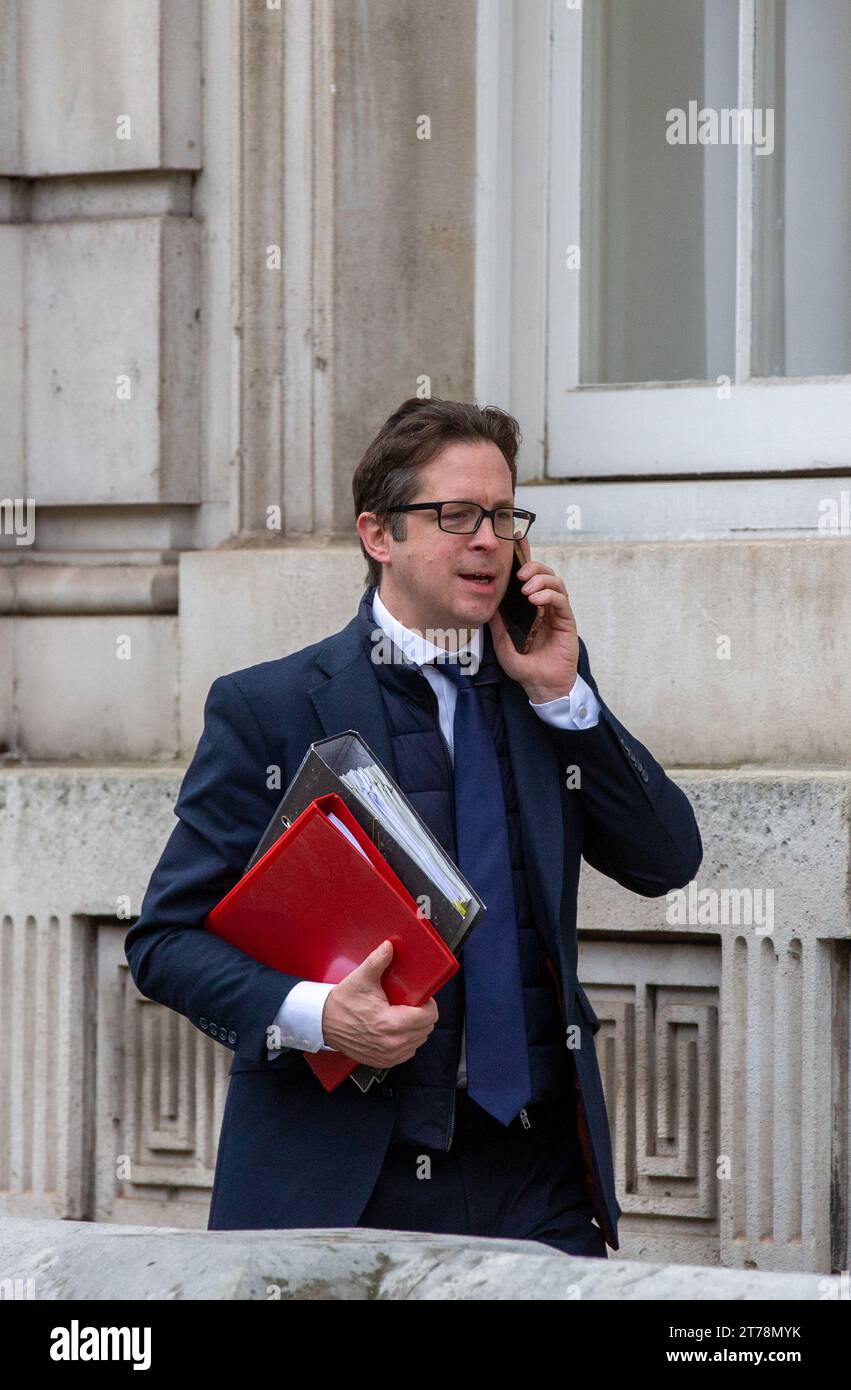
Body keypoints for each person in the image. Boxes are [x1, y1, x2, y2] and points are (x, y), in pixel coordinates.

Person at [125, 397, 702, 1258]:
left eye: (504, 517)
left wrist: (563, 696)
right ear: (378, 535)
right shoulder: (271, 708)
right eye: (455, 516)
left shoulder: (542, 684)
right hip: (347, 1182)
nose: (488, 541)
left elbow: (666, 861)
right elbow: (164, 942)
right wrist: (317, 1014)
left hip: (538, 1178)